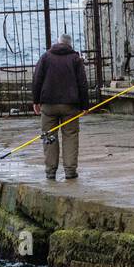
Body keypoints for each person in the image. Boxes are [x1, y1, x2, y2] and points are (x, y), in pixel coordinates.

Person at [31, 33, 88, 181]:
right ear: (69, 45)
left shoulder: (45, 57)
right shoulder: (75, 59)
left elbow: (37, 80)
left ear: (57, 43)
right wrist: (85, 106)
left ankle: (50, 171)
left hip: (48, 105)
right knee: (70, 136)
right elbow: (82, 83)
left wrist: (36, 101)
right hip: (70, 106)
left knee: (49, 136)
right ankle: (70, 170)